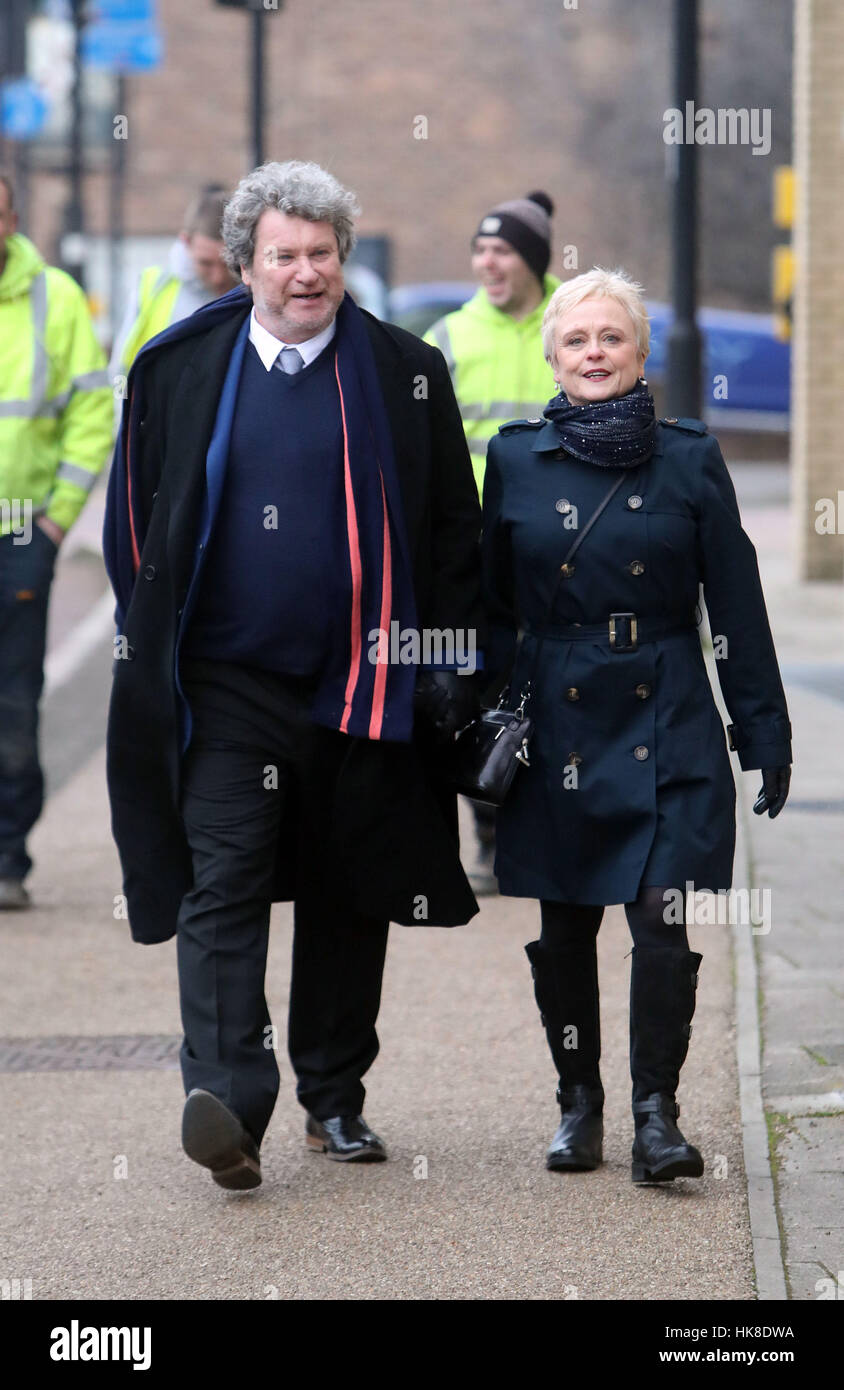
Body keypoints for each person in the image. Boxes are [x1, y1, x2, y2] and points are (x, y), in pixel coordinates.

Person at [103, 160, 482, 1190]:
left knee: (347, 888)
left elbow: (454, 532)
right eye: (285, 255)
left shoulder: (406, 371)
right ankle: (227, 1097)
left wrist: (448, 662)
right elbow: (136, 524)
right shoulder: (181, 366)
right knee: (219, 884)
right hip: (226, 685)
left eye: (322, 254)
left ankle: (333, 1095)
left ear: (342, 259)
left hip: (364, 682)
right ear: (244, 262)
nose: (304, 273)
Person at [482, 267, 791, 1184]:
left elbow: (736, 605)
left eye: (610, 338)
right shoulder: (515, 458)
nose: (594, 354)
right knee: (566, 925)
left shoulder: (691, 457)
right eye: (576, 341)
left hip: (670, 701)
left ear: (641, 352)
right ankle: (580, 1104)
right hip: (559, 707)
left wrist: (763, 731)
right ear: (552, 356)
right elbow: (494, 606)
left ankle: (658, 1113)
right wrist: (473, 713)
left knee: (664, 920)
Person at [426, 191, 560, 893]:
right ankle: (488, 834)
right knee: (481, 685)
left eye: (502, 249)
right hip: (477, 549)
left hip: (563, 545)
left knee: (552, 680)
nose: (488, 262)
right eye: (480, 250)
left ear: (533, 259)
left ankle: (548, 825)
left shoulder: (573, 322)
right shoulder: (450, 336)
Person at [0, 171, 113, 911]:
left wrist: (54, 518)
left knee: (11, 698)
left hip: (17, 524)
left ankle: (6, 853)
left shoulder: (54, 297)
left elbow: (91, 409)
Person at [109, 184, 238, 380]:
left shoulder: (257, 292)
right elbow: (122, 367)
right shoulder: (151, 287)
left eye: (227, 263)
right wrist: (124, 408)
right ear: (186, 242)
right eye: (206, 263)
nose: (218, 276)